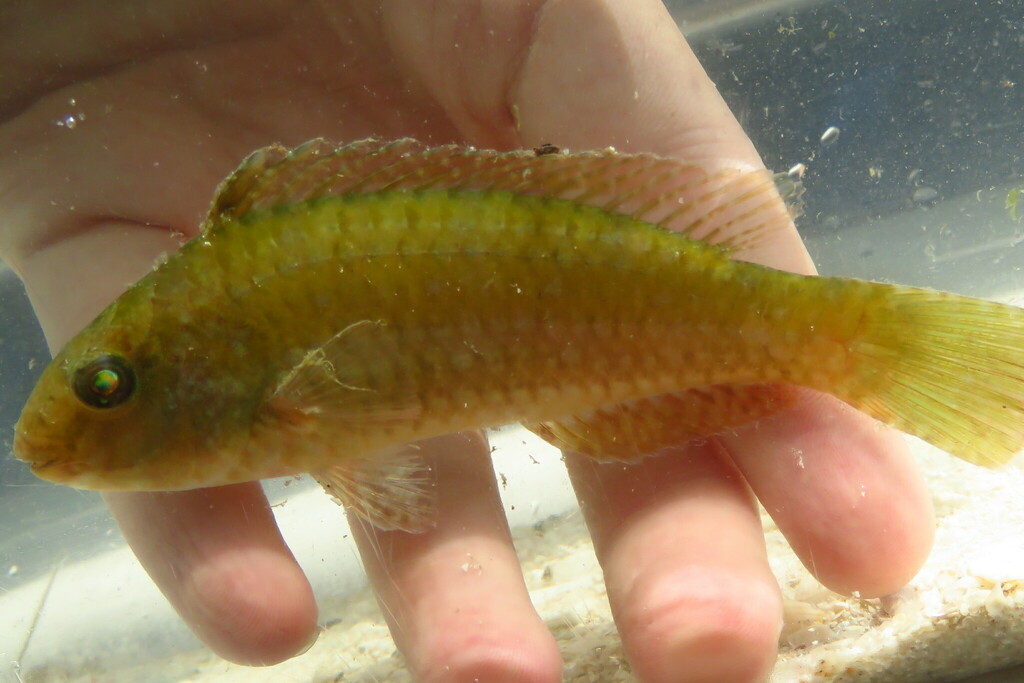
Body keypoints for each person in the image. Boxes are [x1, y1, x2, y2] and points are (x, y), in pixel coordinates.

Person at [0, 2, 935, 682]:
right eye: (102, 383)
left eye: (109, 383)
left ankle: (872, 346)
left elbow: (376, 468)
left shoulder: (246, 336)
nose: (85, 404)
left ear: (191, 356)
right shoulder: (239, 321)